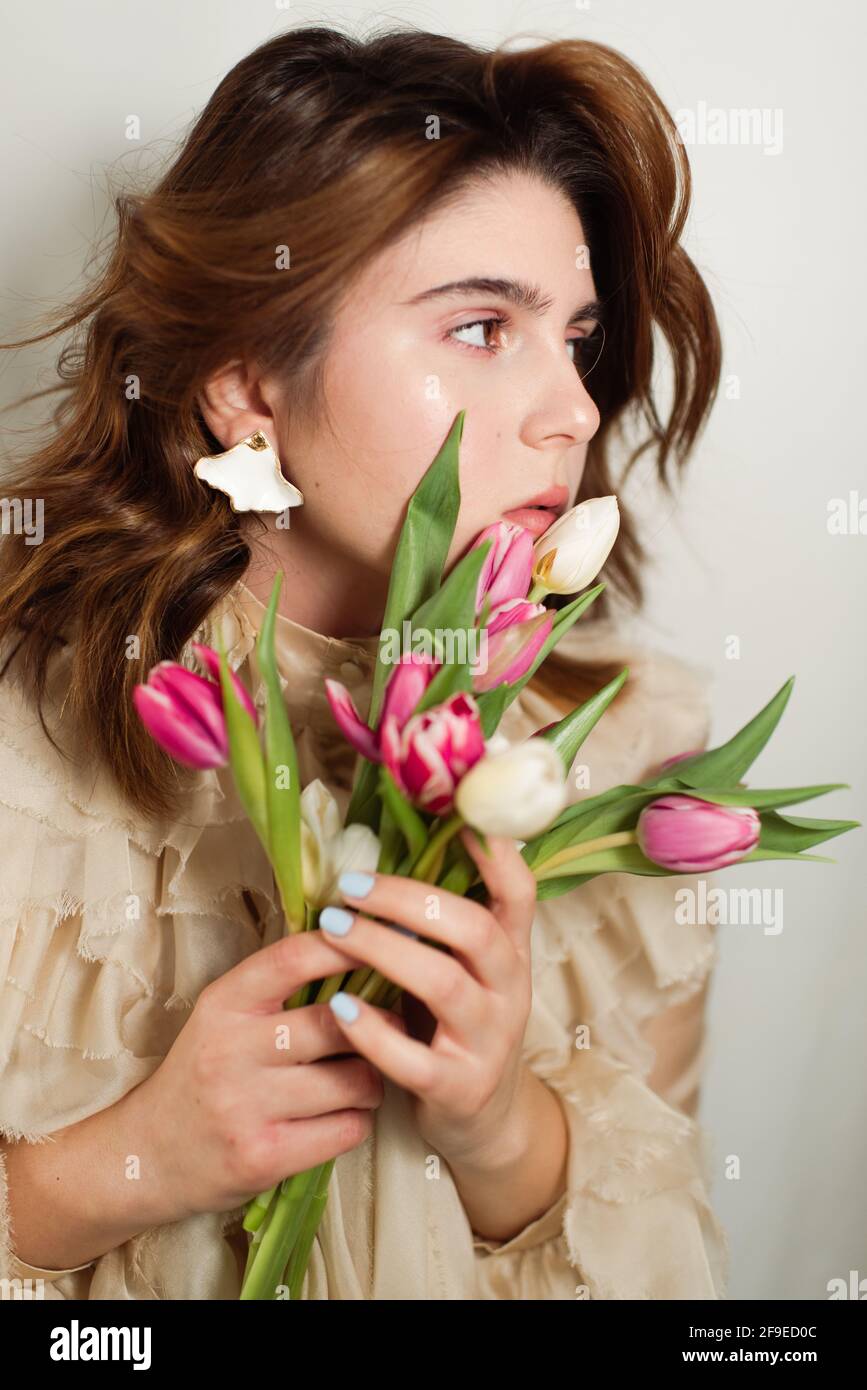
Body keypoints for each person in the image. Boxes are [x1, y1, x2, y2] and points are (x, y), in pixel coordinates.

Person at [0, 24, 729, 1300]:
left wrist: (500, 1131)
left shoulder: (628, 759)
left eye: (576, 335)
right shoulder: (26, 752)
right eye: (481, 328)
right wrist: (135, 1161)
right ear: (246, 385)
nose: (572, 409)